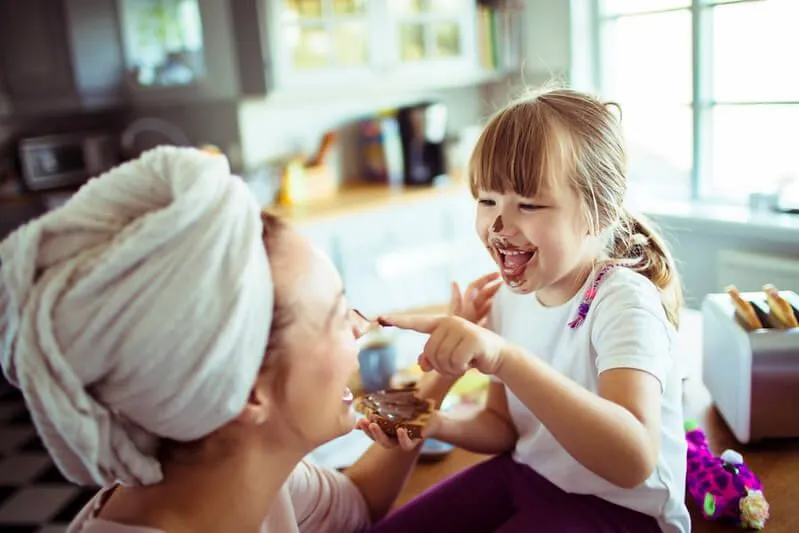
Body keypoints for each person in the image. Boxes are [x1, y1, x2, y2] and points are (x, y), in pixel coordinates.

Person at [0, 146, 497, 533]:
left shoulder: (239, 471)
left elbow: (356, 504)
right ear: (246, 391)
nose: (359, 327)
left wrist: (443, 373)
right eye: (335, 314)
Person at [366, 88, 691, 533]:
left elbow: (633, 460)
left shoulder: (623, 302)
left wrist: (503, 357)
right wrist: (435, 423)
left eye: (529, 204)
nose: (499, 227)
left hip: (622, 511)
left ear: (599, 212)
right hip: (530, 475)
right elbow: (504, 426)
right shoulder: (507, 298)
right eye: (487, 201)